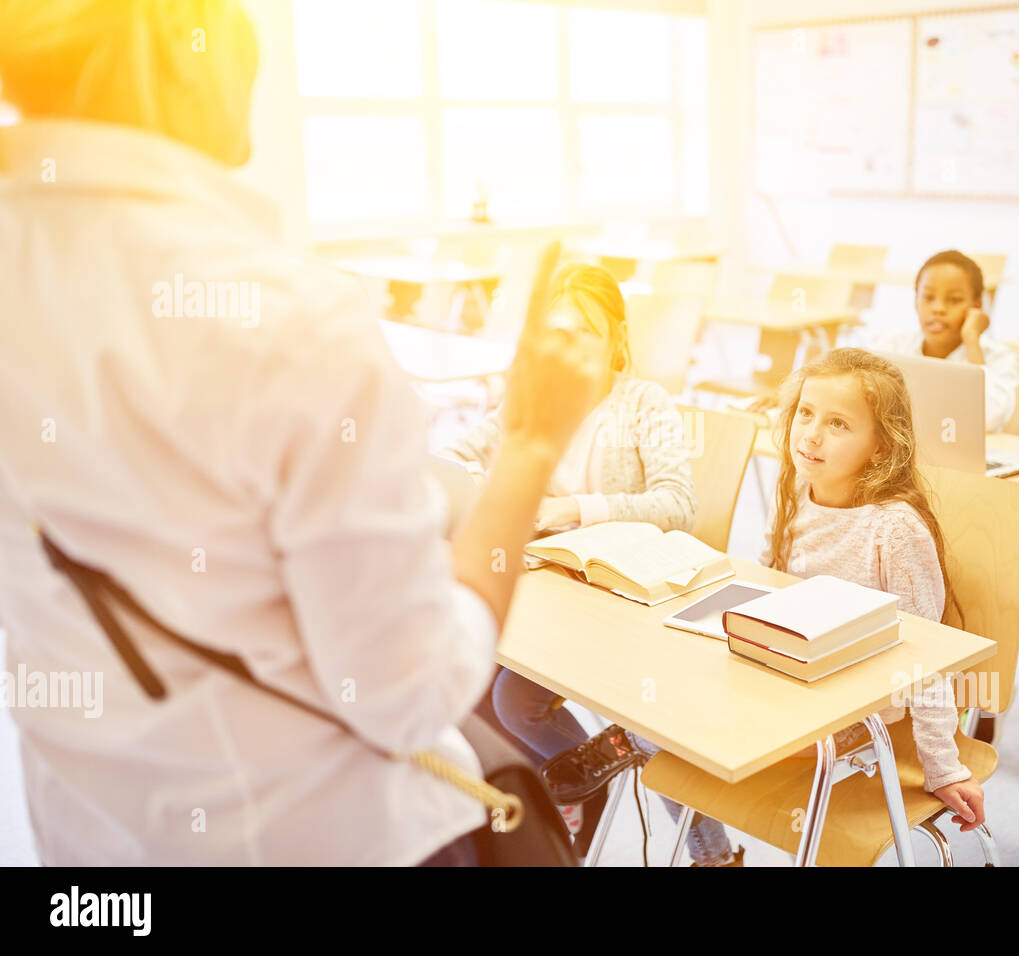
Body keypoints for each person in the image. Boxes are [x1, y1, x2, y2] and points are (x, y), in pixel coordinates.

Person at [0, 0, 606, 865]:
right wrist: (533, 442)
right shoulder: (290, 321)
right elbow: (411, 694)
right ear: (179, 44)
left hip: (92, 842)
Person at [444, 265, 744, 864]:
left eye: (586, 331)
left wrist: (569, 509)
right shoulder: (533, 402)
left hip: (627, 595)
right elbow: (460, 453)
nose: (570, 347)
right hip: (554, 591)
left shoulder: (642, 403)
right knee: (495, 695)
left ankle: (712, 853)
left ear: (617, 340)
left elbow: (678, 503)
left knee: (639, 714)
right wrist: (468, 478)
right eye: (557, 333)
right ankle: (582, 792)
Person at [759, 347, 985, 830]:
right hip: (798, 675)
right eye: (805, 413)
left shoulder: (894, 530)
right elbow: (769, 584)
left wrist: (942, 766)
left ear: (881, 446)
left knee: (711, 731)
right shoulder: (797, 491)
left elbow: (926, 656)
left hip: (865, 707)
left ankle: (631, 746)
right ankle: (713, 857)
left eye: (838, 424)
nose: (811, 435)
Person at [869, 250, 1019, 433]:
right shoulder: (892, 346)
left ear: (977, 306)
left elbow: (990, 418)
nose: (938, 309)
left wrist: (972, 339)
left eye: (954, 300)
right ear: (916, 301)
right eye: (928, 297)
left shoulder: (998, 357)